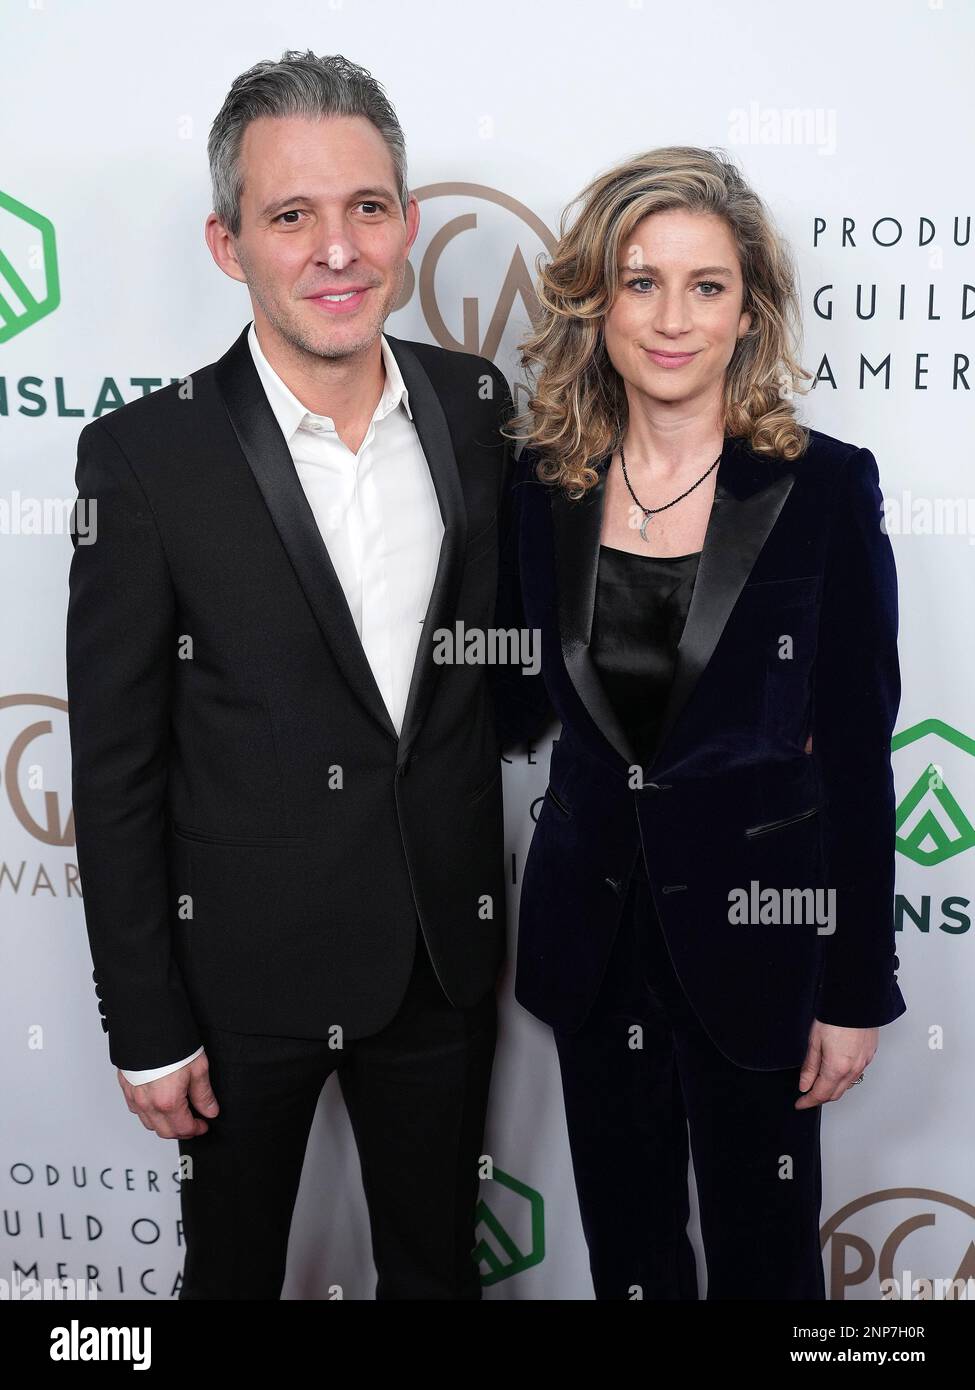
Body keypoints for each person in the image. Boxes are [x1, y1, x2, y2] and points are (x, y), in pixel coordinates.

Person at [66, 50, 512, 1300]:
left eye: (367, 207)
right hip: (238, 982)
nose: (337, 249)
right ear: (229, 243)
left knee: (436, 1272)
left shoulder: (477, 407)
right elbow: (112, 770)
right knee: (233, 1280)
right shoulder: (145, 459)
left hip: (441, 958)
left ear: (408, 224)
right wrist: (145, 1021)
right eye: (291, 215)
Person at [490, 145, 906, 1300]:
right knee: (630, 1259)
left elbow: (863, 757)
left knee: (768, 1266)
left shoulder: (823, 487)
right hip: (593, 942)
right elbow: (509, 702)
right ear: (594, 300)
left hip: (762, 948)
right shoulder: (540, 484)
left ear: (749, 309)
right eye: (640, 280)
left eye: (707, 285)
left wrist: (857, 984)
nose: (672, 318)